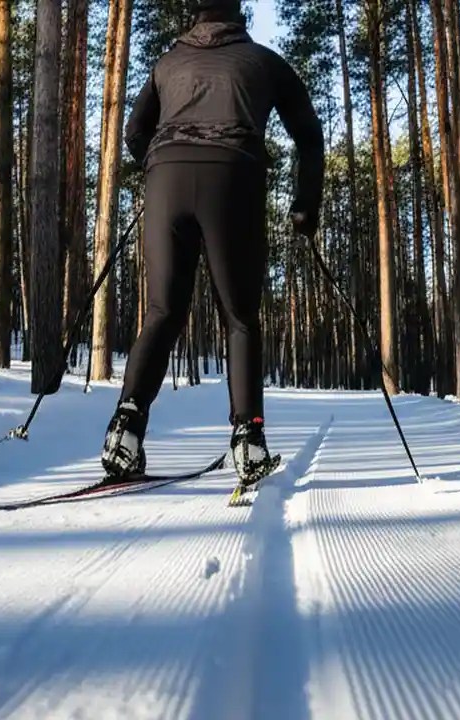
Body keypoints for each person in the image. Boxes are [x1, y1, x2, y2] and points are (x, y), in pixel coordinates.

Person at [100, 0, 325, 487]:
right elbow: (308, 134)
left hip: (167, 180)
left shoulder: (167, 62)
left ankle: (126, 427)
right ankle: (248, 437)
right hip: (233, 177)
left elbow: (135, 132)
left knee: (163, 311)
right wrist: (306, 206)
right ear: (237, 16)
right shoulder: (263, 61)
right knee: (240, 316)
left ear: (196, 16)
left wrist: (160, 168)